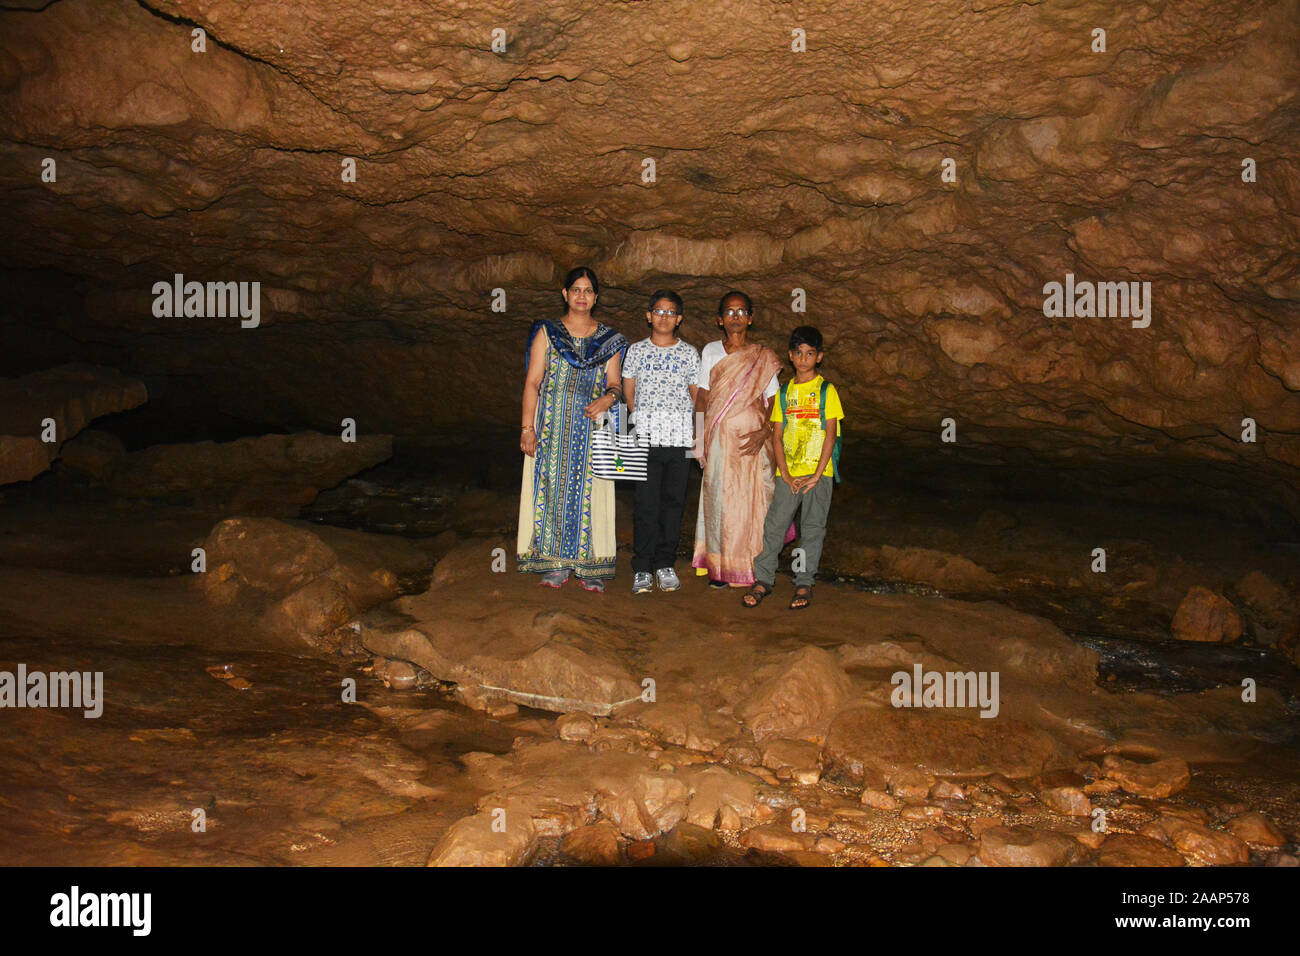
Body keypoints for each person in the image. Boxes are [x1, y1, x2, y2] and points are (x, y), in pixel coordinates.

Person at [517, 267, 629, 591]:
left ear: (596, 297)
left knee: (591, 493)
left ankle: (590, 565)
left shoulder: (609, 340)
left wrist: (608, 399)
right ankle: (555, 563)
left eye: (588, 290)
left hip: (592, 429)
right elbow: (533, 382)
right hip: (552, 426)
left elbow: (615, 384)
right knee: (551, 488)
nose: (582, 296)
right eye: (576, 290)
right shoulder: (548, 332)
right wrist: (527, 428)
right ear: (565, 294)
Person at [743, 325, 844, 610]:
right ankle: (763, 579)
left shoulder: (827, 391)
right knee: (774, 525)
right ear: (790, 355)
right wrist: (784, 472)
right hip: (788, 474)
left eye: (810, 354)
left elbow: (831, 434)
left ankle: (803, 583)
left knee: (812, 529)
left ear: (819, 357)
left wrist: (816, 474)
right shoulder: (786, 393)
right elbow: (776, 435)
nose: (803, 359)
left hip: (818, 474)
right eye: (798, 353)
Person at [690, 291, 785, 588]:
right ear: (720, 320)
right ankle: (720, 570)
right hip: (718, 442)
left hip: (752, 445)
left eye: (741, 311)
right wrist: (697, 440)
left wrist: (765, 432)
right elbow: (703, 398)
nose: (735, 317)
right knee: (719, 502)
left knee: (751, 505)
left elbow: (774, 404)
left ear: (751, 318)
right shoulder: (711, 352)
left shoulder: (762, 357)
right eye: (729, 312)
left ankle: (752, 568)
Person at [622, 290, 700, 594]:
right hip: (646, 440)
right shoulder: (637, 351)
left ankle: (665, 563)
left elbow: (698, 397)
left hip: (680, 441)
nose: (664, 317)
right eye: (659, 311)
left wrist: (699, 439)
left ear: (679, 318)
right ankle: (642, 566)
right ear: (648, 315)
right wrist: (641, 420)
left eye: (670, 312)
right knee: (645, 505)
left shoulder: (689, 353)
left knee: (672, 503)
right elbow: (630, 393)